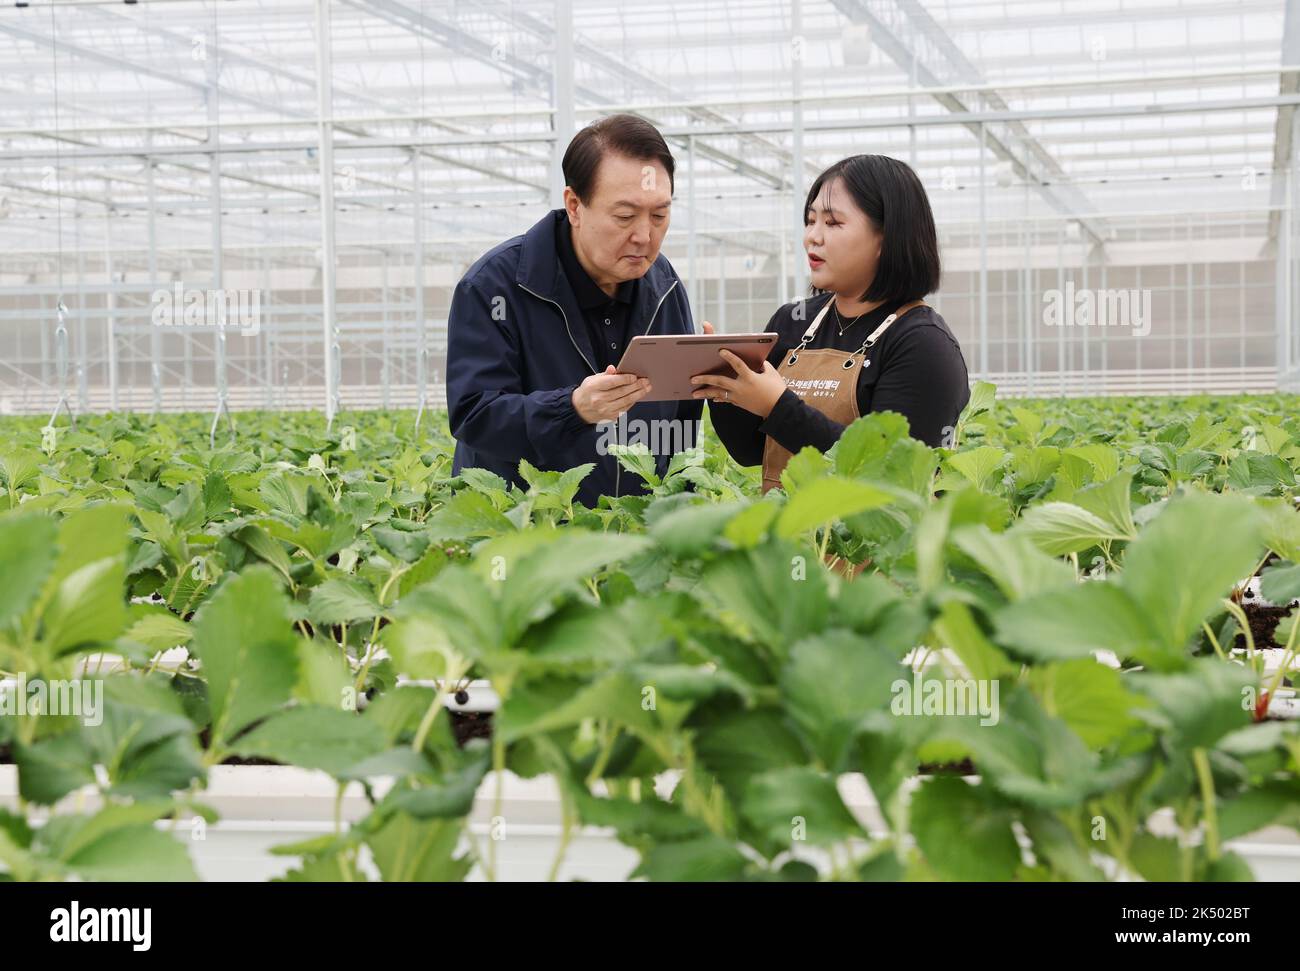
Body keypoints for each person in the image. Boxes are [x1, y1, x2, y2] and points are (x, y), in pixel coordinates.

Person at [446, 114, 703, 508]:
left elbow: (681, 424)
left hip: (634, 534)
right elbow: (474, 415)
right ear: (575, 206)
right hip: (529, 534)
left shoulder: (664, 285)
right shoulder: (494, 287)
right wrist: (572, 408)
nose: (644, 235)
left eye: (659, 215)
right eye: (624, 216)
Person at [691, 154, 970, 493]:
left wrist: (777, 407)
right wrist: (726, 387)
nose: (813, 237)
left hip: (870, 546)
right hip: (786, 542)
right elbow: (750, 451)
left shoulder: (923, 345)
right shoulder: (793, 321)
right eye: (810, 221)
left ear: (886, 237)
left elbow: (893, 477)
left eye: (833, 223)